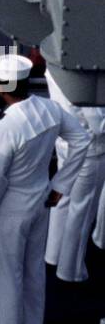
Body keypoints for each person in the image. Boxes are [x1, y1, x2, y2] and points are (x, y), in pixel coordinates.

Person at [0, 54, 89, 324]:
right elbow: (81, 139)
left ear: (3, 86)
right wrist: (60, 185)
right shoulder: (49, 108)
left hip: (10, 210)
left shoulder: (6, 127)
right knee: (34, 272)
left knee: (6, 276)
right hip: (40, 201)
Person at [45, 70, 105, 283]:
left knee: (64, 200)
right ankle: (70, 270)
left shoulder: (55, 66)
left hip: (65, 143)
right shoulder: (85, 73)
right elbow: (98, 123)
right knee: (82, 209)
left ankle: (53, 255)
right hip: (90, 149)